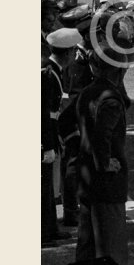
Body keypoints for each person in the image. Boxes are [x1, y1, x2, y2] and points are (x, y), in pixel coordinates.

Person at [75, 50, 131, 265]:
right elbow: (102, 135)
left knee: (87, 248)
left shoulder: (86, 93)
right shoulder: (110, 99)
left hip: (86, 178)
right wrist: (105, 162)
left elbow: (65, 123)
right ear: (120, 69)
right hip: (107, 184)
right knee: (111, 251)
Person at [43, 28, 80, 246]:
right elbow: (44, 114)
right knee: (44, 187)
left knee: (49, 187)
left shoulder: (52, 71)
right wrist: (48, 145)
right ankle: (44, 232)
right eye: (73, 51)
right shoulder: (48, 73)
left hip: (51, 135)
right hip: (44, 139)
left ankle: (50, 228)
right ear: (67, 53)